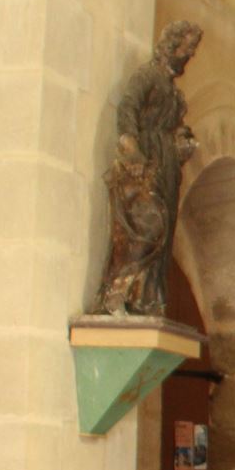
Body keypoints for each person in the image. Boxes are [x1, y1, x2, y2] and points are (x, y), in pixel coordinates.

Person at [92, 20, 203, 316]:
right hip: (147, 161)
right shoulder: (148, 75)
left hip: (167, 165)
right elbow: (128, 108)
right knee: (148, 226)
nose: (189, 57)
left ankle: (146, 299)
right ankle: (116, 292)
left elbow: (175, 126)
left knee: (164, 236)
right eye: (186, 50)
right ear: (171, 45)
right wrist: (133, 150)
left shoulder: (174, 92)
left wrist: (182, 141)